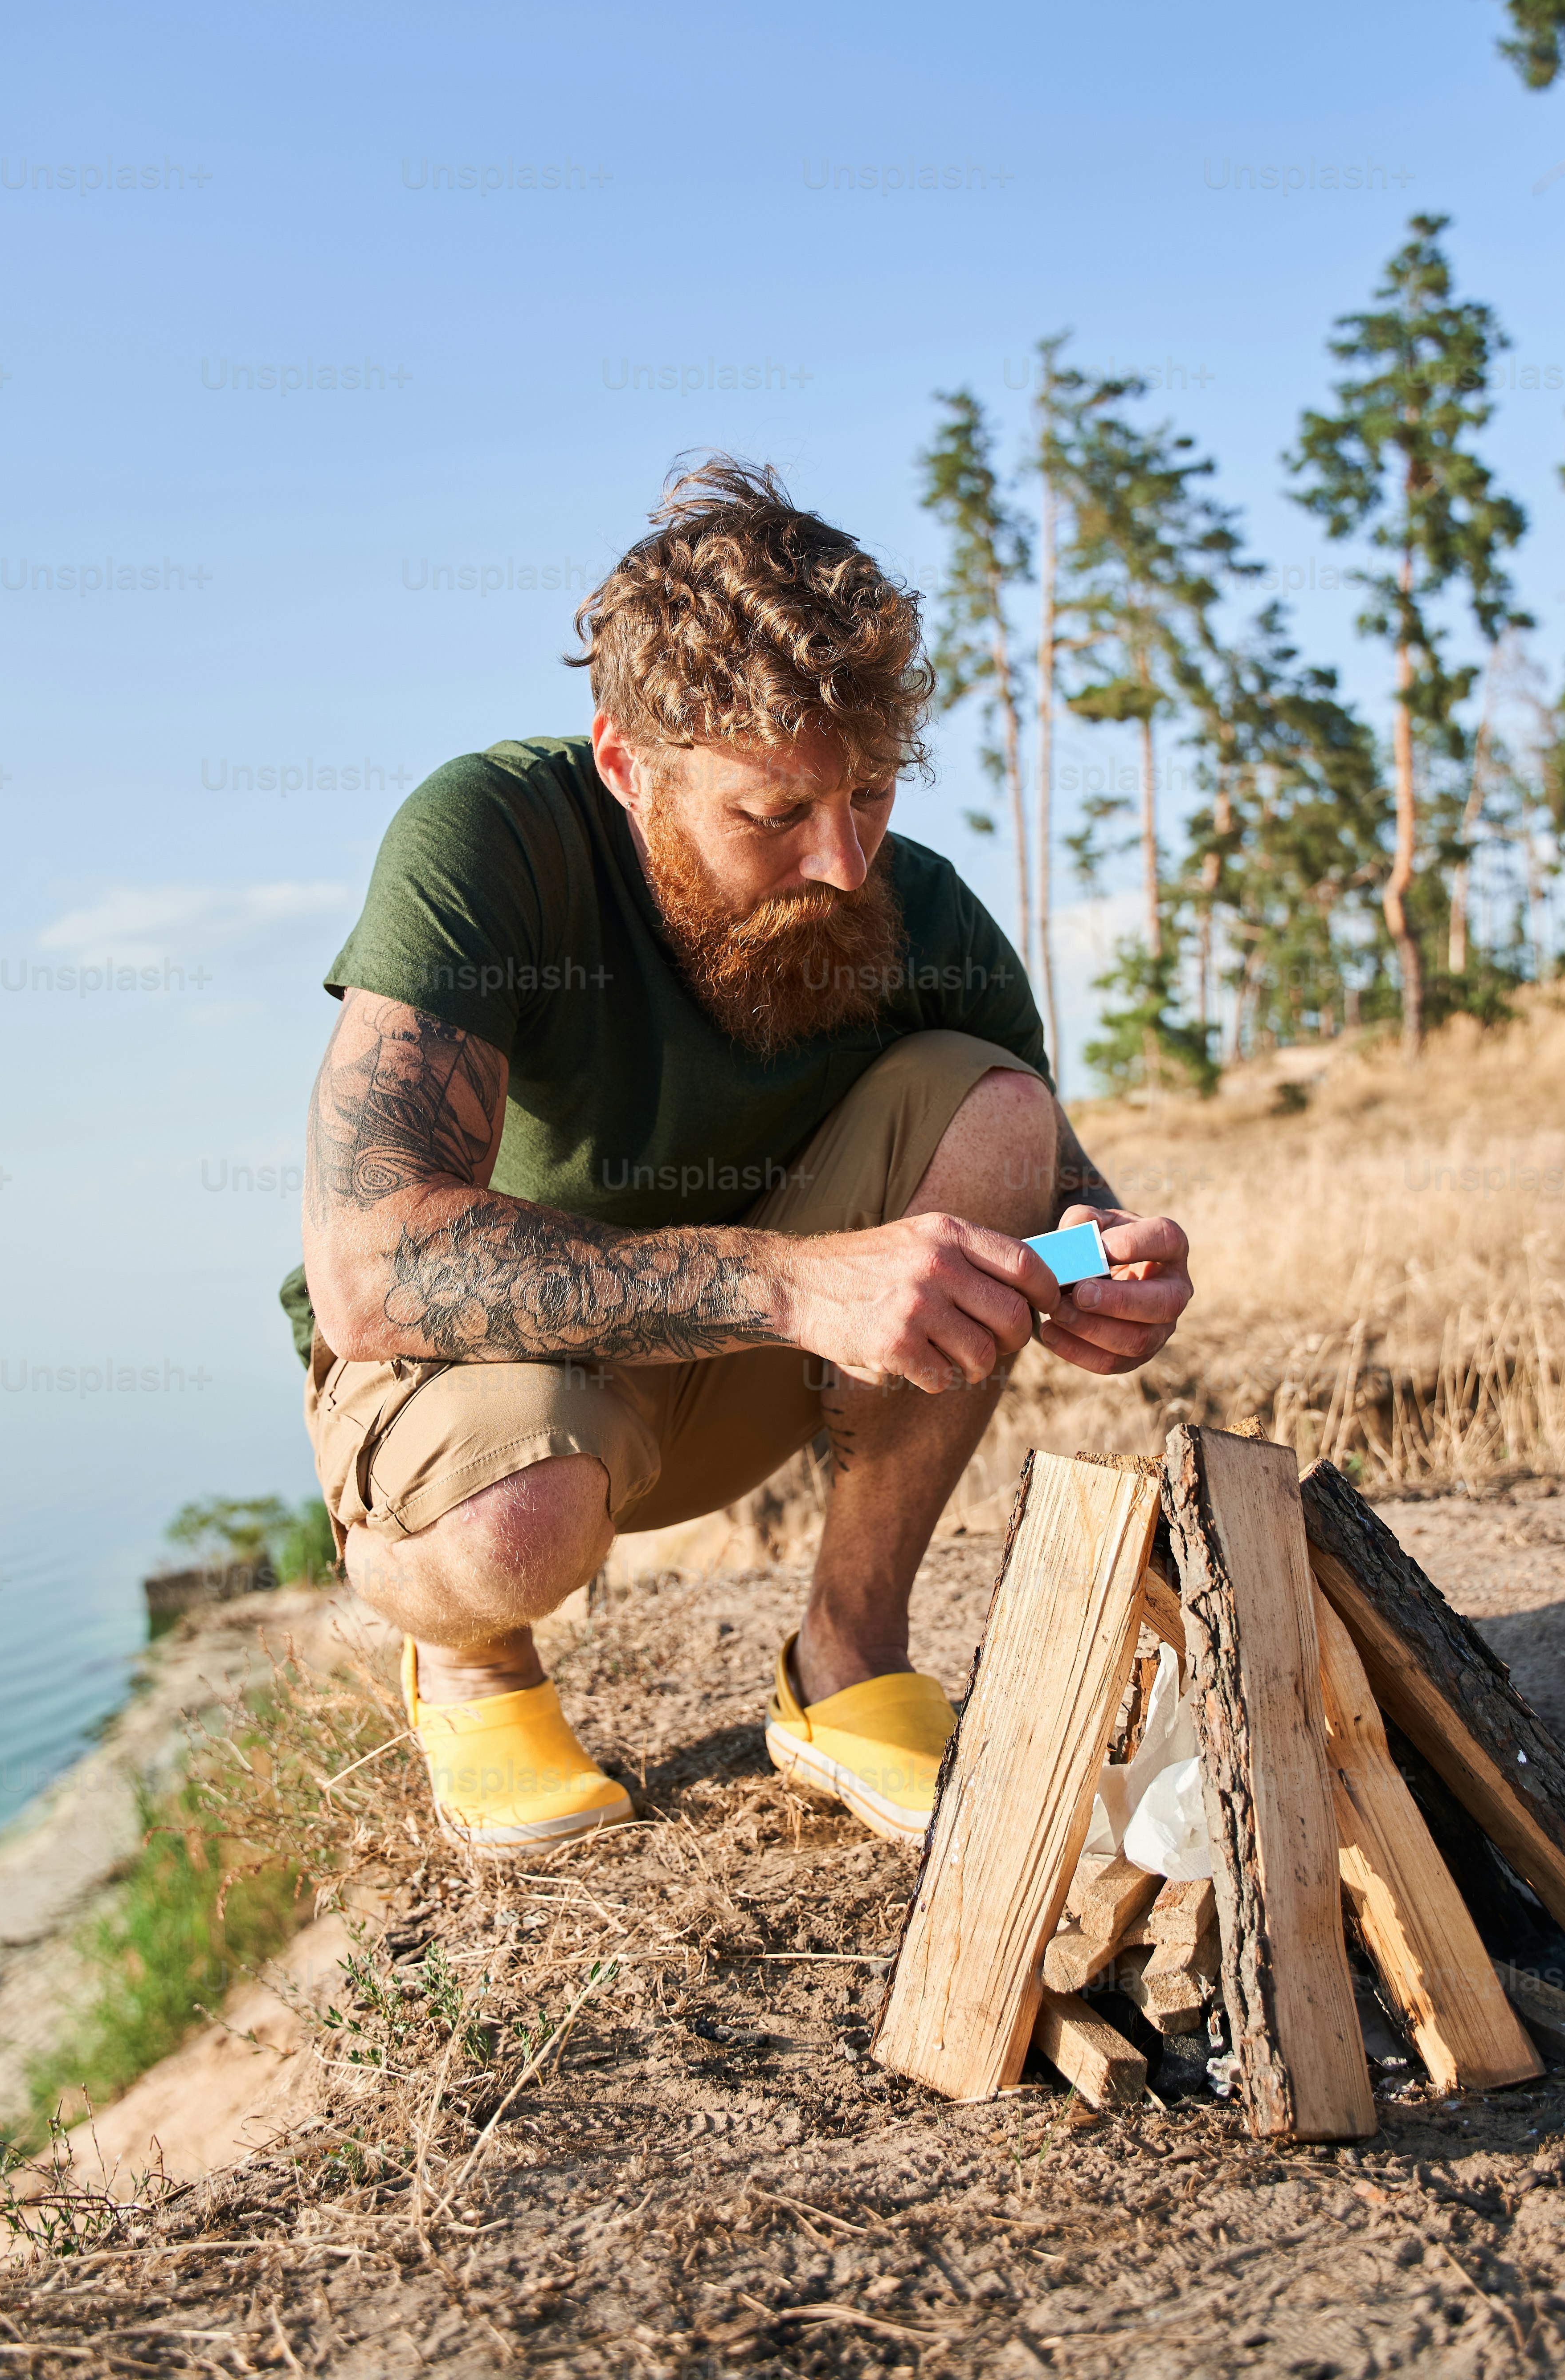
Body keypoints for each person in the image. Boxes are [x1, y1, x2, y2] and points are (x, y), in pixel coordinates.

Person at [289, 457, 1192, 1854]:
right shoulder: (492, 837)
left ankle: (849, 1659)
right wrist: (792, 1285)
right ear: (626, 764)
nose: (841, 862)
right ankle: (472, 1665)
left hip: (734, 1376)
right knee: (519, 1527)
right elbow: (368, 1266)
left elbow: (1056, 1177)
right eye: (771, 815)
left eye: (873, 795)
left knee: (998, 1106)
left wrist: (1106, 1258)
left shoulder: (918, 910)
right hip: (489, 1406)